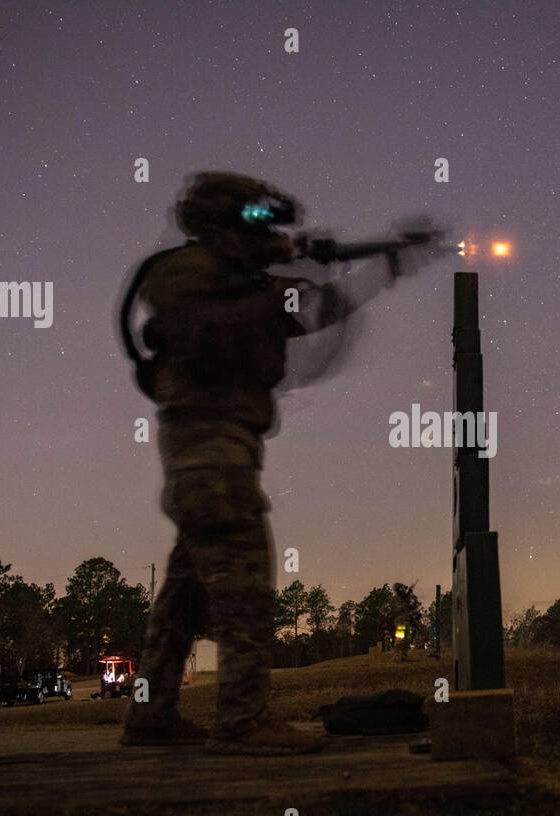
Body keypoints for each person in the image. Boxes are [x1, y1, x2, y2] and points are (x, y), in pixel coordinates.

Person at [119, 171, 443, 754]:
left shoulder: (224, 278)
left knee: (184, 596)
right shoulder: (189, 277)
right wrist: (279, 271)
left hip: (213, 453)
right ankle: (242, 721)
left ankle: (151, 713)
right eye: (256, 223)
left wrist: (376, 266)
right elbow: (260, 316)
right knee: (246, 587)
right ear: (222, 225)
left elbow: (310, 310)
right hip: (211, 456)